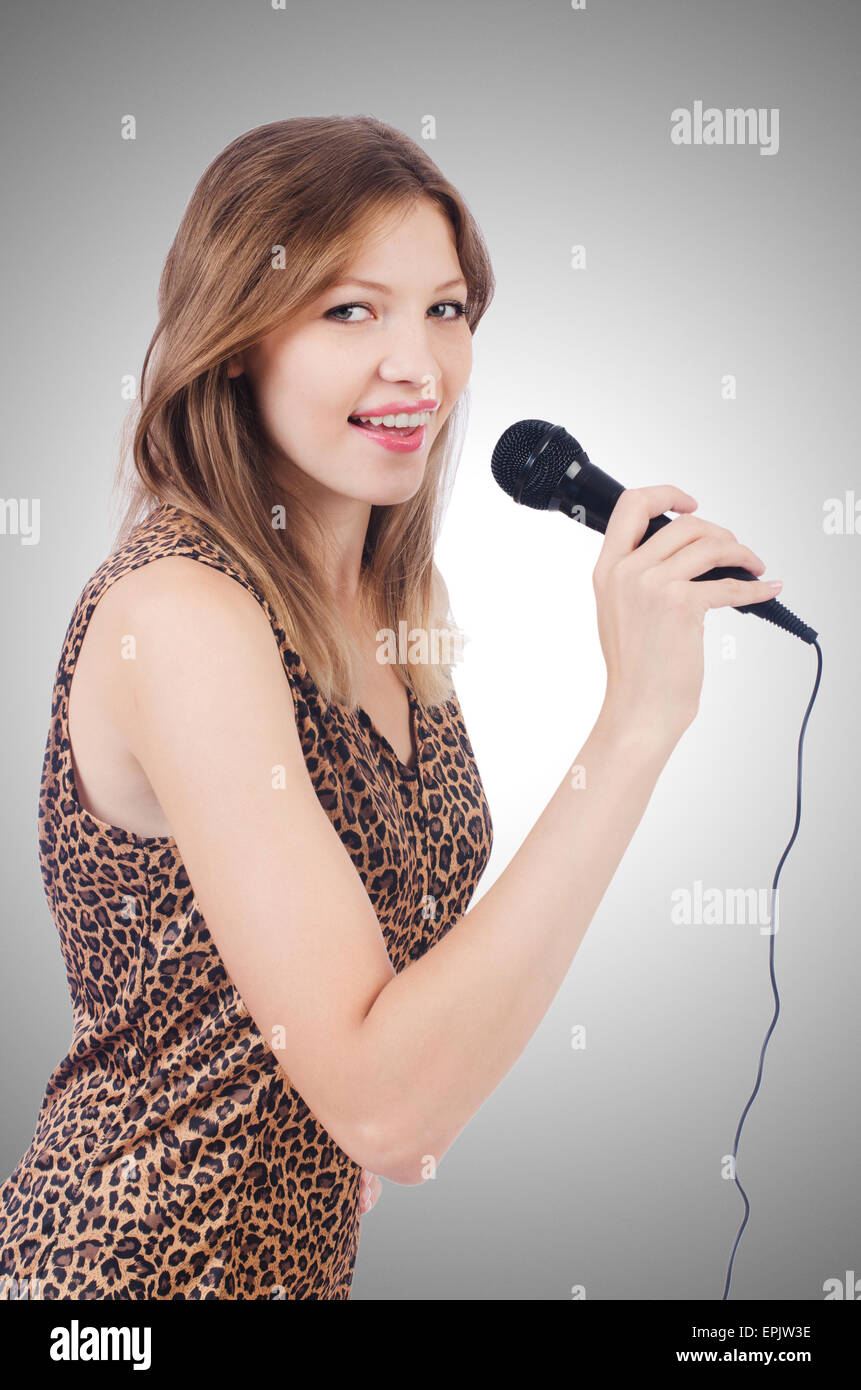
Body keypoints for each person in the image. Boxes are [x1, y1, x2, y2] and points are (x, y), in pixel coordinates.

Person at [0, 115, 780, 1301]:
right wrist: (633, 727)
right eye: (351, 310)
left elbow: (389, 1085)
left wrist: (364, 1102)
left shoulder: (388, 600)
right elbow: (387, 1104)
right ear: (235, 339)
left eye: (447, 309)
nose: (418, 365)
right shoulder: (184, 618)